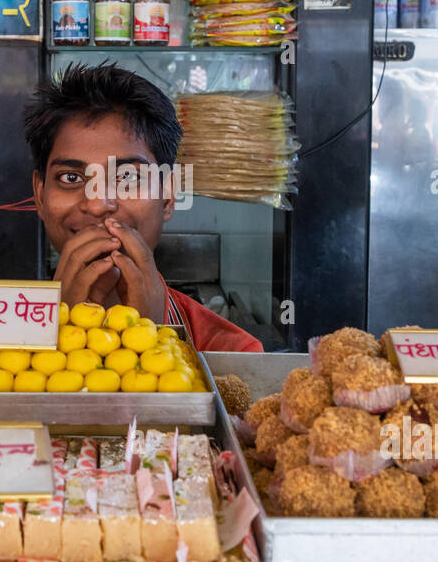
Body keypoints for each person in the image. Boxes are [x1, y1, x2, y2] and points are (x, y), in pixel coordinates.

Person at [24, 62, 263, 353]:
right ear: (40, 194)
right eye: (71, 178)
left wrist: (152, 344)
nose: (98, 204)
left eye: (127, 177)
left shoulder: (231, 352)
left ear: (167, 195)